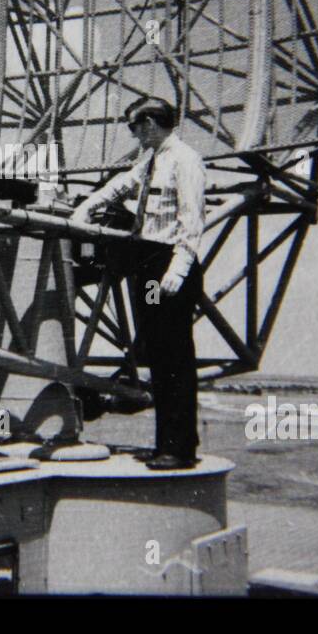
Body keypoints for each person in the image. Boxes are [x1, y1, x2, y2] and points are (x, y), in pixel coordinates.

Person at [71, 97, 206, 470]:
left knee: (175, 358)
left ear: (149, 122)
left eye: (135, 126)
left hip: (170, 264)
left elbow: (191, 222)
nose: (133, 133)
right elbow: (121, 185)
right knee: (157, 356)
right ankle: (166, 443)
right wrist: (85, 209)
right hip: (147, 263)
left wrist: (178, 271)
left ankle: (179, 450)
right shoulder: (151, 160)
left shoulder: (185, 160)